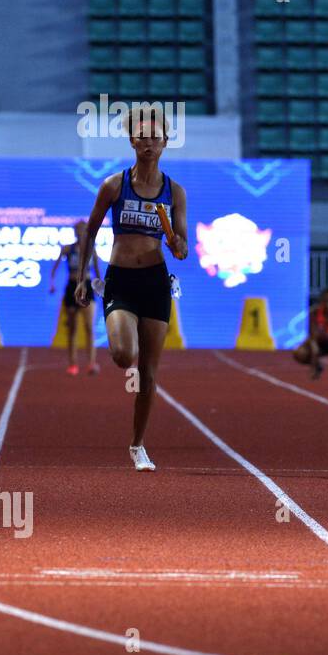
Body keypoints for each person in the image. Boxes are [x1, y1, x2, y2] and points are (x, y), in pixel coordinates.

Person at [75, 106, 188, 472]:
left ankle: (138, 445)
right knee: (125, 356)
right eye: (142, 137)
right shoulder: (114, 185)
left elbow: (182, 247)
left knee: (150, 372)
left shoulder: (174, 192)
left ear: (166, 142)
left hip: (155, 282)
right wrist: (81, 277)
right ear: (132, 141)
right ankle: (119, 333)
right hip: (120, 280)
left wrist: (175, 241)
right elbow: (90, 230)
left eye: (156, 138)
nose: (149, 144)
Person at [50, 219, 102, 375]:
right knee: (72, 328)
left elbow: (97, 272)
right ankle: (73, 364)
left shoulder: (92, 250)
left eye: (82, 229)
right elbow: (55, 268)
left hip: (87, 287)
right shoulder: (67, 249)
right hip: (72, 287)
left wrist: (101, 289)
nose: (79, 232)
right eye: (77, 229)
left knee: (88, 326)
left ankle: (91, 363)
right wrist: (52, 284)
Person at [293, 287, 328, 379]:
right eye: (326, 301)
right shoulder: (314, 313)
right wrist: (314, 363)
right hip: (322, 343)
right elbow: (313, 337)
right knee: (300, 352)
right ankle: (319, 366)